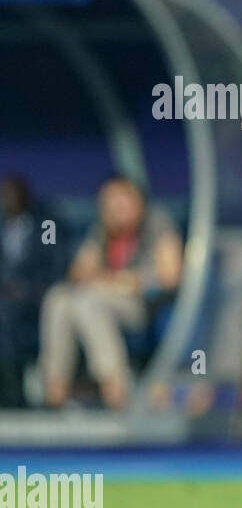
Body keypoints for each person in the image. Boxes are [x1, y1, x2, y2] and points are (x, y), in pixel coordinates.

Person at [39, 175, 182, 409]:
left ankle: (115, 387)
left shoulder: (157, 223)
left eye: (121, 200)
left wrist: (120, 280)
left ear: (137, 200)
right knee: (58, 297)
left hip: (143, 305)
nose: (115, 208)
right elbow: (77, 273)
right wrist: (95, 274)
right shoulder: (103, 231)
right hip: (100, 298)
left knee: (88, 301)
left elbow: (170, 276)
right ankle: (55, 389)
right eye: (108, 202)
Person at [0, 176, 61, 406]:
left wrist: (27, 289)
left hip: (36, 298)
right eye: (4, 194)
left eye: (14, 193)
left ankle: (13, 393)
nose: (9, 200)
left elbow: (54, 263)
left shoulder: (46, 223)